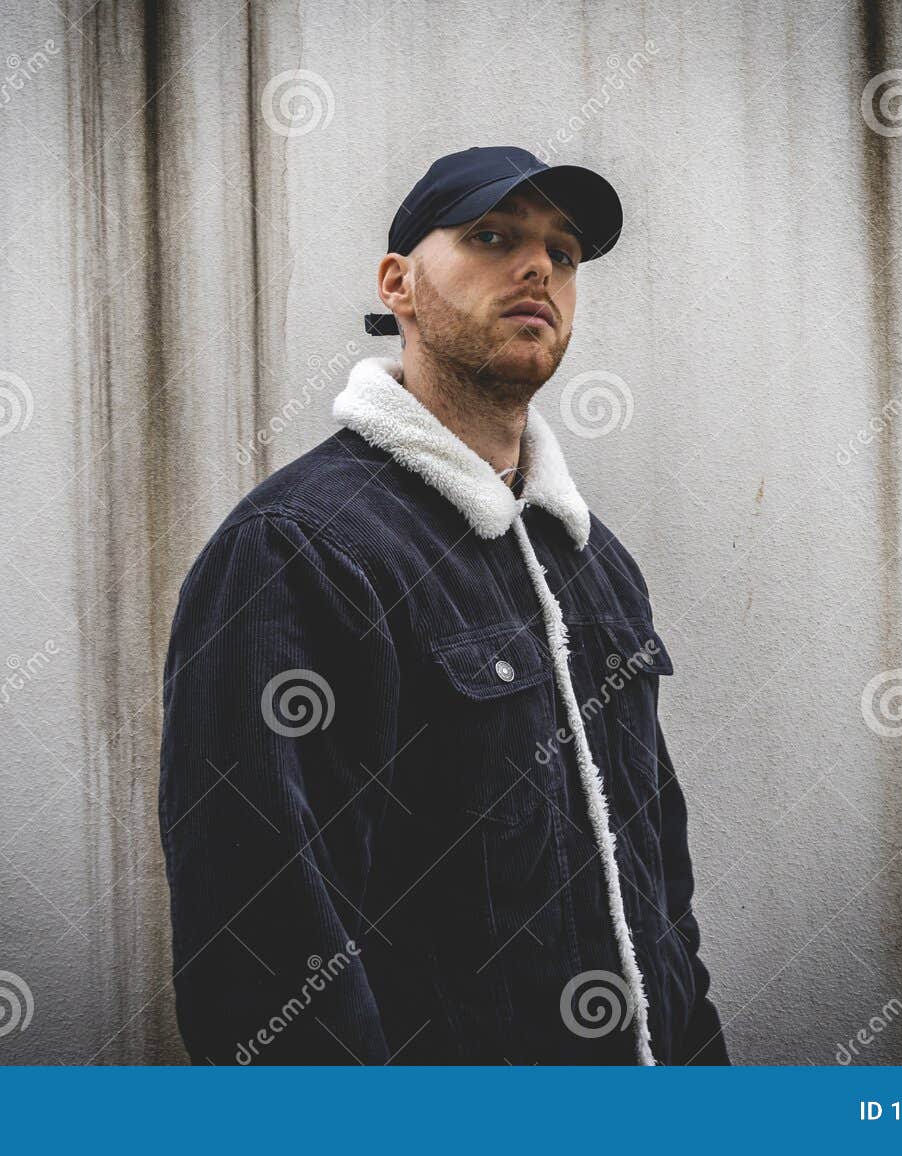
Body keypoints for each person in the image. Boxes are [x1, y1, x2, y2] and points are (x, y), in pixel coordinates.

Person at [159, 145, 731, 1065]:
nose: (539, 266)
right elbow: (259, 942)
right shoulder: (297, 547)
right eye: (492, 237)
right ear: (400, 284)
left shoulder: (593, 562)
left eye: (565, 252)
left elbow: (662, 896)